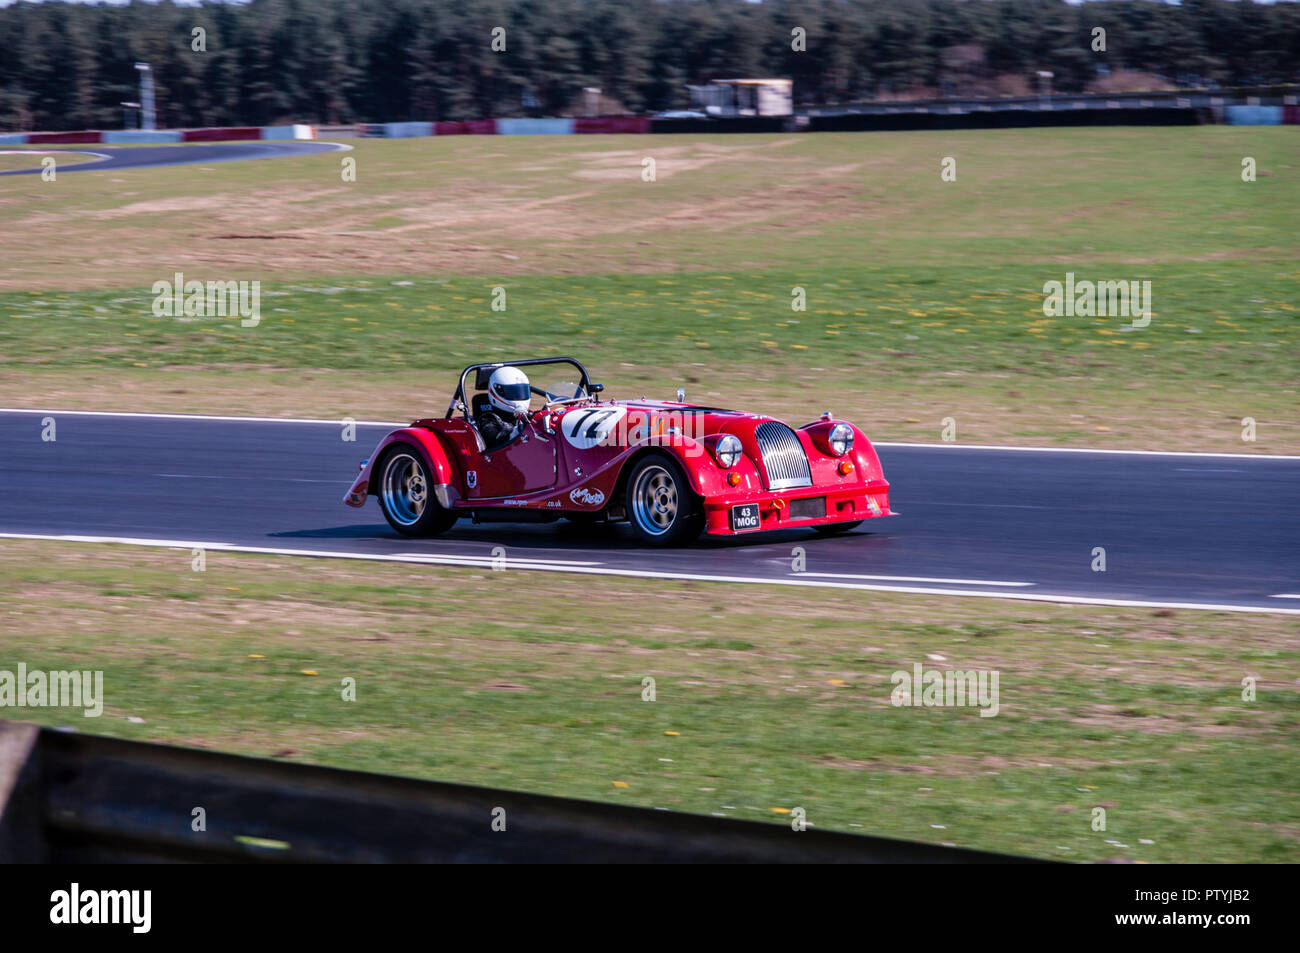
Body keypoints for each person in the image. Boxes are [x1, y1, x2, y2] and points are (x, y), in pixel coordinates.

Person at [476, 365, 531, 450]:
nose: (518, 397)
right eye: (512, 393)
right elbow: (497, 441)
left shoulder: (526, 415)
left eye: (521, 392)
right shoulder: (487, 420)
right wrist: (519, 430)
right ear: (495, 392)